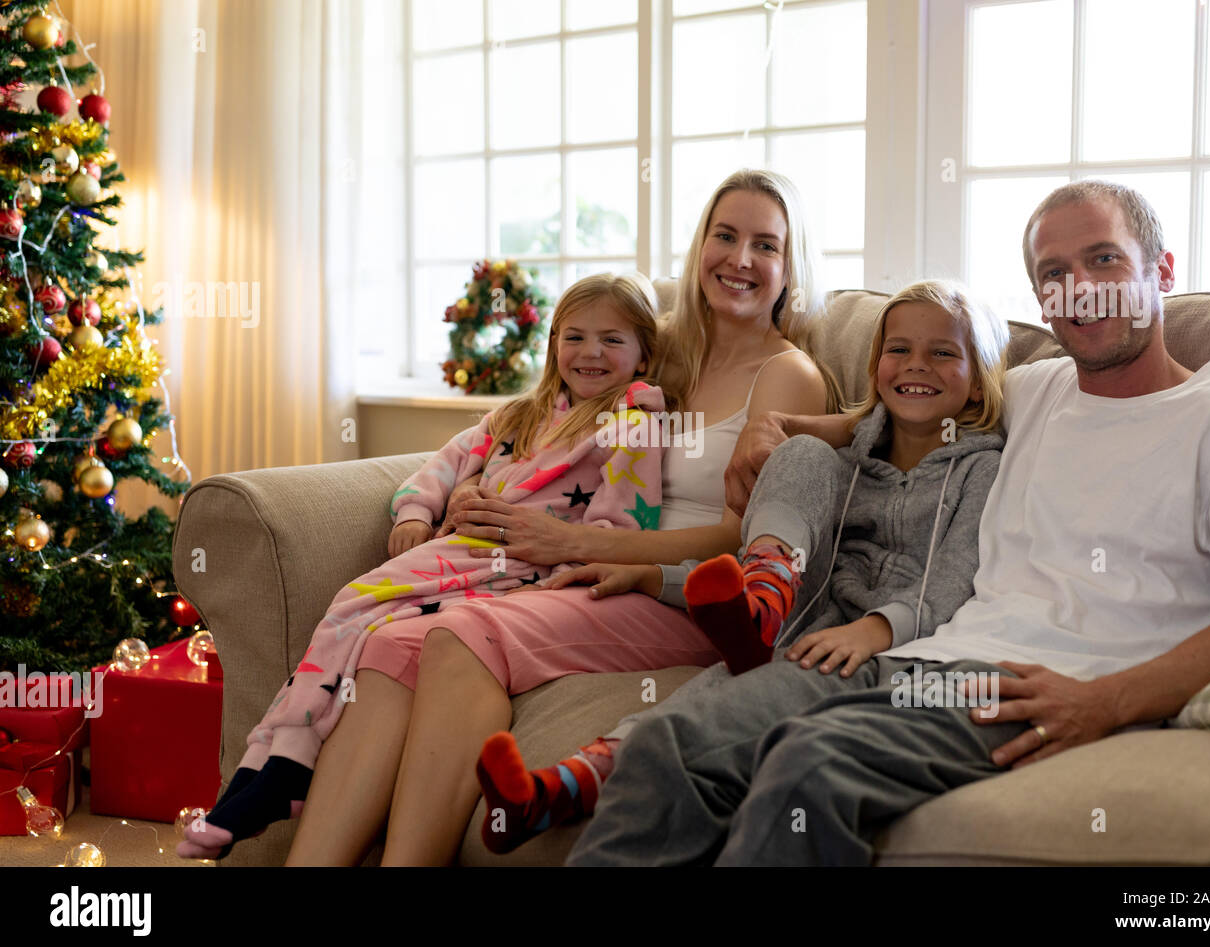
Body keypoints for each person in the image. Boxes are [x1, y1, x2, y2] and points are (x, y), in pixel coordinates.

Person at [567, 179, 1210, 866]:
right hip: (927, 656)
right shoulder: (1037, 388)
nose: (1078, 287)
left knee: (811, 767)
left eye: (1103, 259)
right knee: (670, 742)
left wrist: (1109, 701)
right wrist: (780, 428)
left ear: (1163, 271)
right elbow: (913, 399)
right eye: (1054, 272)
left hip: (1040, 683)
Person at [277, 169, 840, 866]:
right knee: (391, 644)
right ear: (700, 247)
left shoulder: (786, 374)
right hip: (582, 558)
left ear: (790, 268)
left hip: (683, 590)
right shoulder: (660, 347)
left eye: (766, 245)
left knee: (457, 635)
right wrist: (481, 486)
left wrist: (572, 540)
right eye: (725, 236)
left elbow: (745, 537)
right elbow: (543, 422)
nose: (741, 259)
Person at [474, 278, 1009, 854]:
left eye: (943, 353)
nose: (916, 364)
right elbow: (766, 551)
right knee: (801, 454)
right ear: (877, 365)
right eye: (898, 349)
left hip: (862, 642)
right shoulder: (844, 460)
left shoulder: (981, 471)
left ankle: (566, 786)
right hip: (794, 611)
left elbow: (951, 580)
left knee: (697, 712)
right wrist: (654, 578)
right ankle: (763, 596)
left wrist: (874, 629)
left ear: (979, 384)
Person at [176, 271, 672, 860]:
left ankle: (278, 766)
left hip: (531, 569)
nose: (591, 353)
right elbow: (441, 465)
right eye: (576, 337)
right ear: (553, 345)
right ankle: (277, 761)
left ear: (644, 354)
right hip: (468, 554)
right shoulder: (519, 415)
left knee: (355, 604)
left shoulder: (635, 415)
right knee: (362, 618)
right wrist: (415, 512)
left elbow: (623, 526)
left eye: (612, 340)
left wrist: (560, 540)